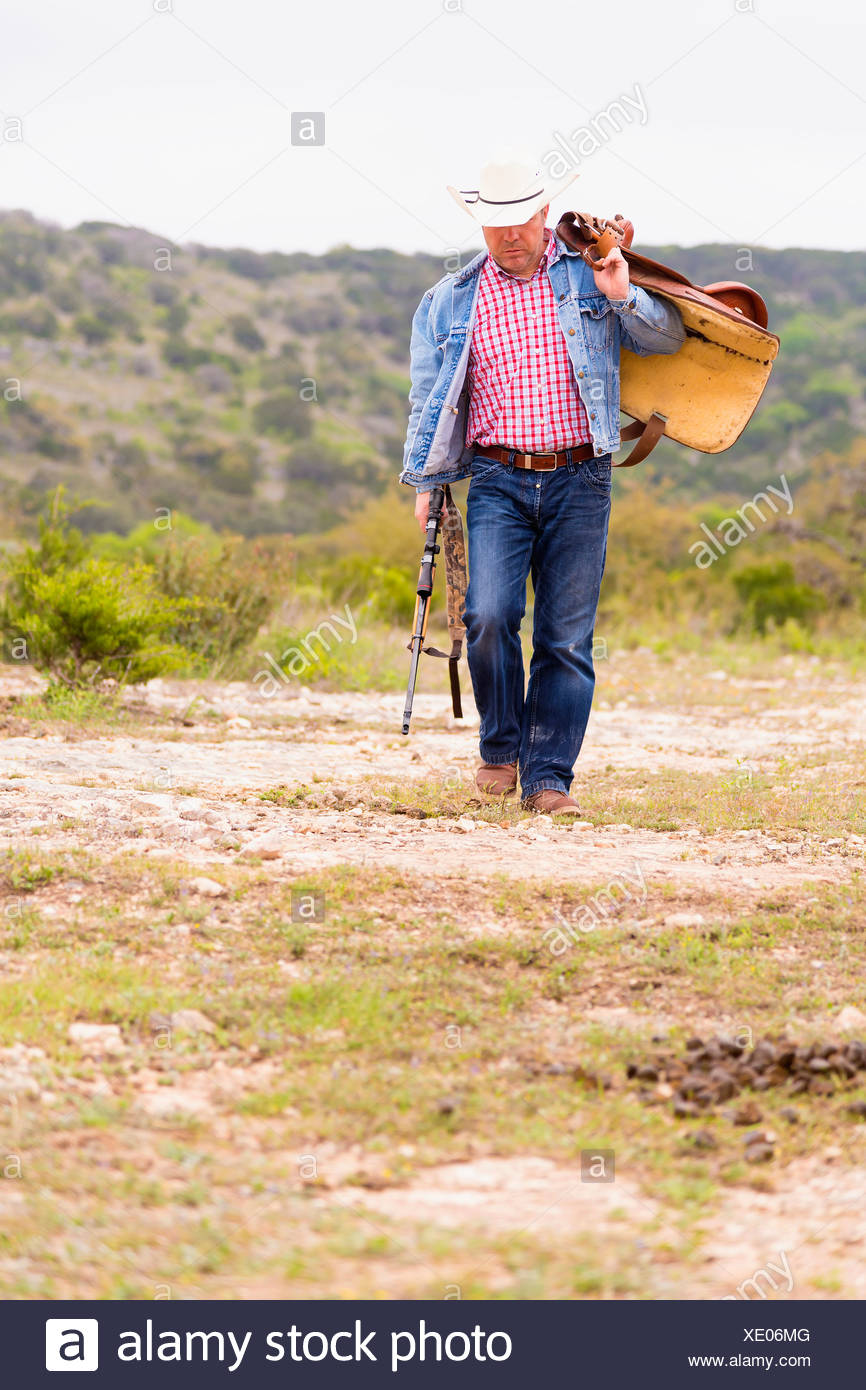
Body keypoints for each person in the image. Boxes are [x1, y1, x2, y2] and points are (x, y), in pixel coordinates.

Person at [399, 152, 685, 815]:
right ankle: (500, 747)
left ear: (543, 214)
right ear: (480, 225)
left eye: (518, 222)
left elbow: (665, 338)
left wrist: (625, 295)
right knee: (490, 615)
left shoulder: (594, 273)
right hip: (497, 475)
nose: (508, 236)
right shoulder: (449, 301)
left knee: (564, 638)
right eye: (493, 225)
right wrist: (424, 480)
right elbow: (428, 397)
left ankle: (548, 778)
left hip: (580, 476)